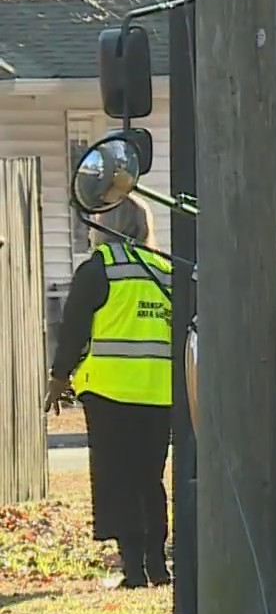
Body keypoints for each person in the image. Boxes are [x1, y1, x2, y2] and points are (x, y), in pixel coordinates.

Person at [44, 197, 174, 589]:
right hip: (159, 394)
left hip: (109, 396)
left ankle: (132, 567)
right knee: (151, 478)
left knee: (118, 479)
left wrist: (59, 377)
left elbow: (73, 330)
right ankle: (158, 566)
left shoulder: (99, 269)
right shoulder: (165, 271)